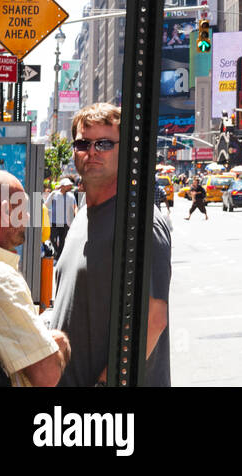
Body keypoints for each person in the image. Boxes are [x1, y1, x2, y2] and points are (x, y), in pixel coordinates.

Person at [47, 103, 172, 387]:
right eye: (83, 143)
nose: (92, 152)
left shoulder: (139, 222)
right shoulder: (82, 216)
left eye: (104, 143)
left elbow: (153, 320)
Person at [0, 169, 71, 387]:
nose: (29, 216)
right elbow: (46, 376)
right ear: (4, 212)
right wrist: (59, 346)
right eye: (21, 206)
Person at [45, 179, 78, 261]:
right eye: (68, 185)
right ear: (63, 186)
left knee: (62, 241)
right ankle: (56, 252)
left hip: (65, 222)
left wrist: (76, 215)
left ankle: (58, 257)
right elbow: (46, 205)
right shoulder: (54, 194)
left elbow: (75, 207)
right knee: (52, 238)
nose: (70, 187)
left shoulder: (71, 196)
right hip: (54, 221)